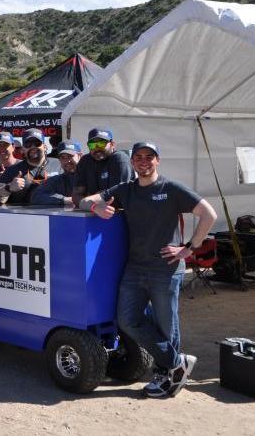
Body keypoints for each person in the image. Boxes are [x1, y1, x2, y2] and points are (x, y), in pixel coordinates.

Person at [80, 141, 217, 398]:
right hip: (134, 268)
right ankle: (177, 365)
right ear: (132, 162)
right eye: (139, 157)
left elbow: (209, 214)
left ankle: (167, 374)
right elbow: (85, 200)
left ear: (158, 160)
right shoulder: (125, 190)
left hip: (165, 269)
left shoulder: (171, 188)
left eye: (149, 157)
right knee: (127, 319)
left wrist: (188, 248)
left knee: (167, 325)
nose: (144, 162)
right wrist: (97, 206)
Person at [0, 128, 53, 205]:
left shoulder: (59, 164)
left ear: (45, 146)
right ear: (23, 149)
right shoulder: (12, 171)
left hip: (58, 215)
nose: (33, 147)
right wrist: (8, 188)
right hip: (23, 216)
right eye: (28, 144)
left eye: (37, 143)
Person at [72, 127, 133, 205]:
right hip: (94, 211)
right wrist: (92, 205)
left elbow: (118, 196)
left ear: (112, 144)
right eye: (92, 145)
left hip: (120, 213)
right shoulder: (85, 161)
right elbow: (76, 195)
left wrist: (89, 199)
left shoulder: (120, 159)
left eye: (101, 143)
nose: (97, 148)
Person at [31, 139, 83, 206]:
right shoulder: (56, 180)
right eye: (63, 157)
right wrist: (64, 199)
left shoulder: (90, 176)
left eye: (70, 156)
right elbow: (35, 197)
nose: (67, 161)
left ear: (80, 156)